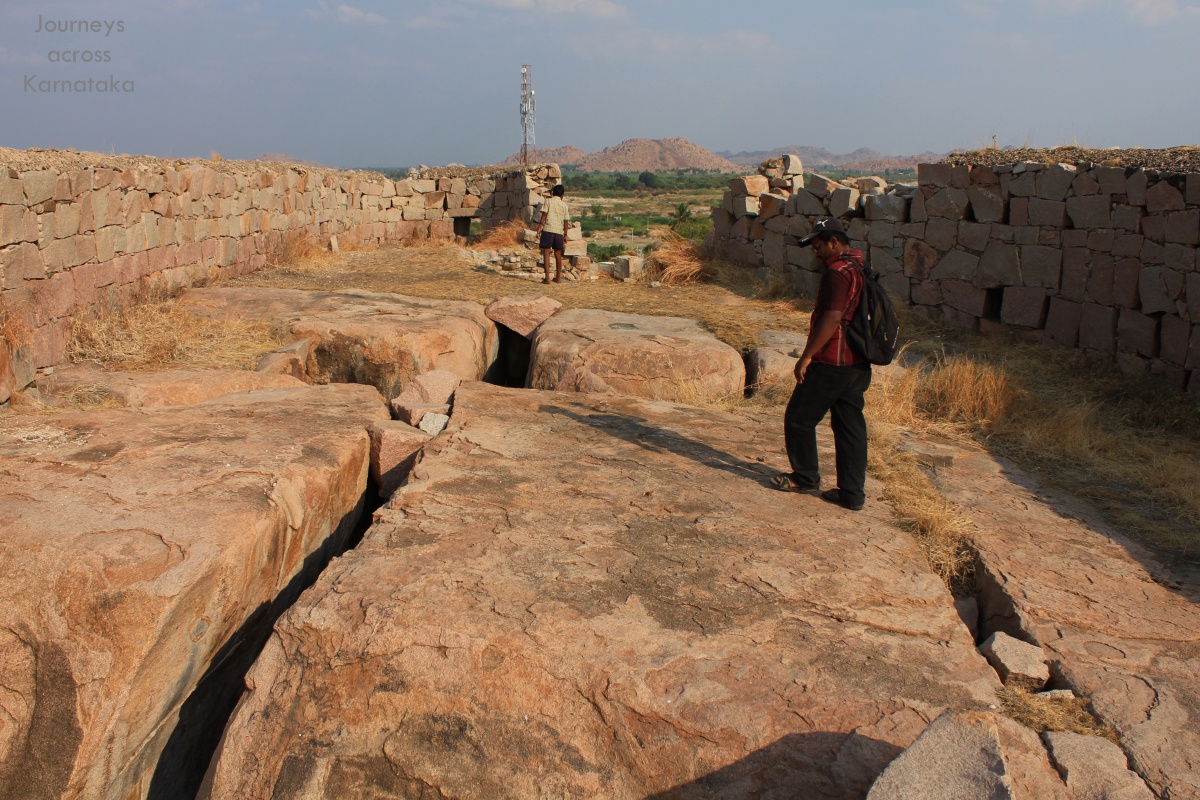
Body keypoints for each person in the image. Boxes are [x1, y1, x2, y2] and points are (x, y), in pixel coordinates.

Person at [772, 217, 871, 511]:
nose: (815, 249)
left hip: (832, 361)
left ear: (834, 243)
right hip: (858, 363)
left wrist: (807, 356)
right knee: (850, 428)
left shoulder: (837, 273)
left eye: (819, 244)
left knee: (799, 419)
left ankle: (804, 477)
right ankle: (852, 494)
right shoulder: (860, 268)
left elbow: (832, 317)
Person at [534, 184, 571, 284]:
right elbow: (566, 221)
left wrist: (539, 229)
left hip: (548, 230)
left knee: (546, 253)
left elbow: (544, 216)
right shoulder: (564, 205)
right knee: (558, 254)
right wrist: (565, 234)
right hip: (558, 232)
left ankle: (547, 278)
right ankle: (558, 278)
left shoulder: (548, 201)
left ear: (553, 193)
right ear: (562, 195)